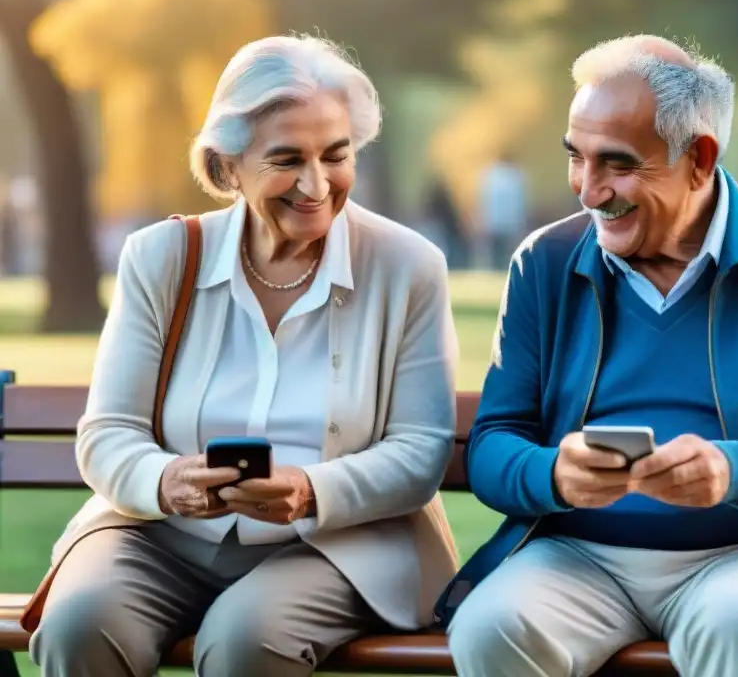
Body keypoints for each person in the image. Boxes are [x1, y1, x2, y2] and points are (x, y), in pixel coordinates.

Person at [439, 35, 738, 677]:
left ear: (699, 157)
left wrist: (734, 471)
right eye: (576, 157)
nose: (589, 191)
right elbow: (493, 444)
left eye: (617, 164)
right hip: (578, 555)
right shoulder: (542, 262)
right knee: (490, 627)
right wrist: (554, 476)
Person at [28, 34, 460, 677]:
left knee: (244, 641)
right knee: (79, 624)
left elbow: (421, 449)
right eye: (287, 159)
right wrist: (165, 482)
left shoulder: (408, 267)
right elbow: (108, 433)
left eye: (336, 156)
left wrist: (311, 490)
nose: (316, 185)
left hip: (336, 545)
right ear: (227, 167)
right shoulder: (160, 259)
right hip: (162, 536)